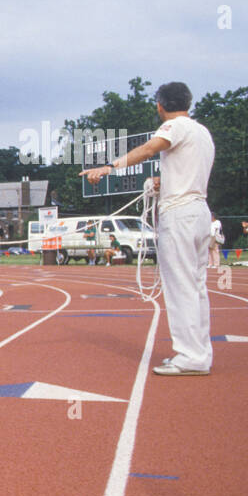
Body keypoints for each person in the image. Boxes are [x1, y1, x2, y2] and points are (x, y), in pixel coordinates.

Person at [82, 81, 214, 376]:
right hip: (199, 210)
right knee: (196, 285)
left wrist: (109, 167)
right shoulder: (202, 132)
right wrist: (162, 183)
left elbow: (149, 148)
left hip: (179, 213)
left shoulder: (174, 127)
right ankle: (199, 353)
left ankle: (190, 355)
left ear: (160, 106)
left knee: (180, 285)